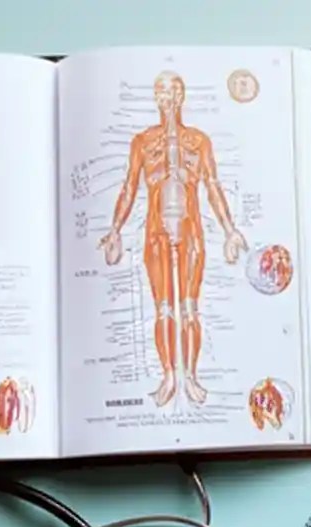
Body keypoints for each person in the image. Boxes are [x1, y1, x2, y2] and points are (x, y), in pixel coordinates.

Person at [99, 71, 248, 407]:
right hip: (155, 233)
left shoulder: (199, 141)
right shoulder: (141, 142)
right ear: (156, 98)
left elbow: (212, 185)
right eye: (162, 92)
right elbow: (129, 187)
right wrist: (115, 229)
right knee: (164, 308)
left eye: (174, 91)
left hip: (191, 230)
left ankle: (191, 377)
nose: (168, 98)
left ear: (183, 97)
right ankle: (169, 376)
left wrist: (229, 230)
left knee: (190, 309)